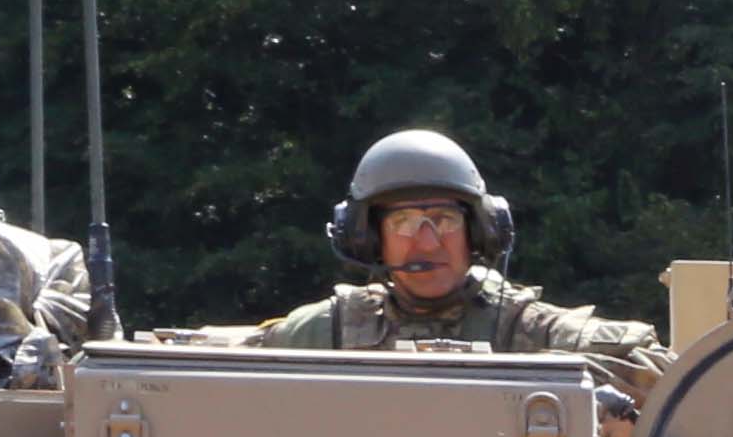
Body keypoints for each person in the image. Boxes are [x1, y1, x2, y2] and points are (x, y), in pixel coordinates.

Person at [200, 130, 663, 382]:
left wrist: (543, 373)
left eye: (442, 219)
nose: (426, 242)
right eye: (403, 223)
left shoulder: (521, 327)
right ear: (368, 238)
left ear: (478, 231)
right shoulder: (332, 329)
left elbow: (656, 364)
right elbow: (209, 368)